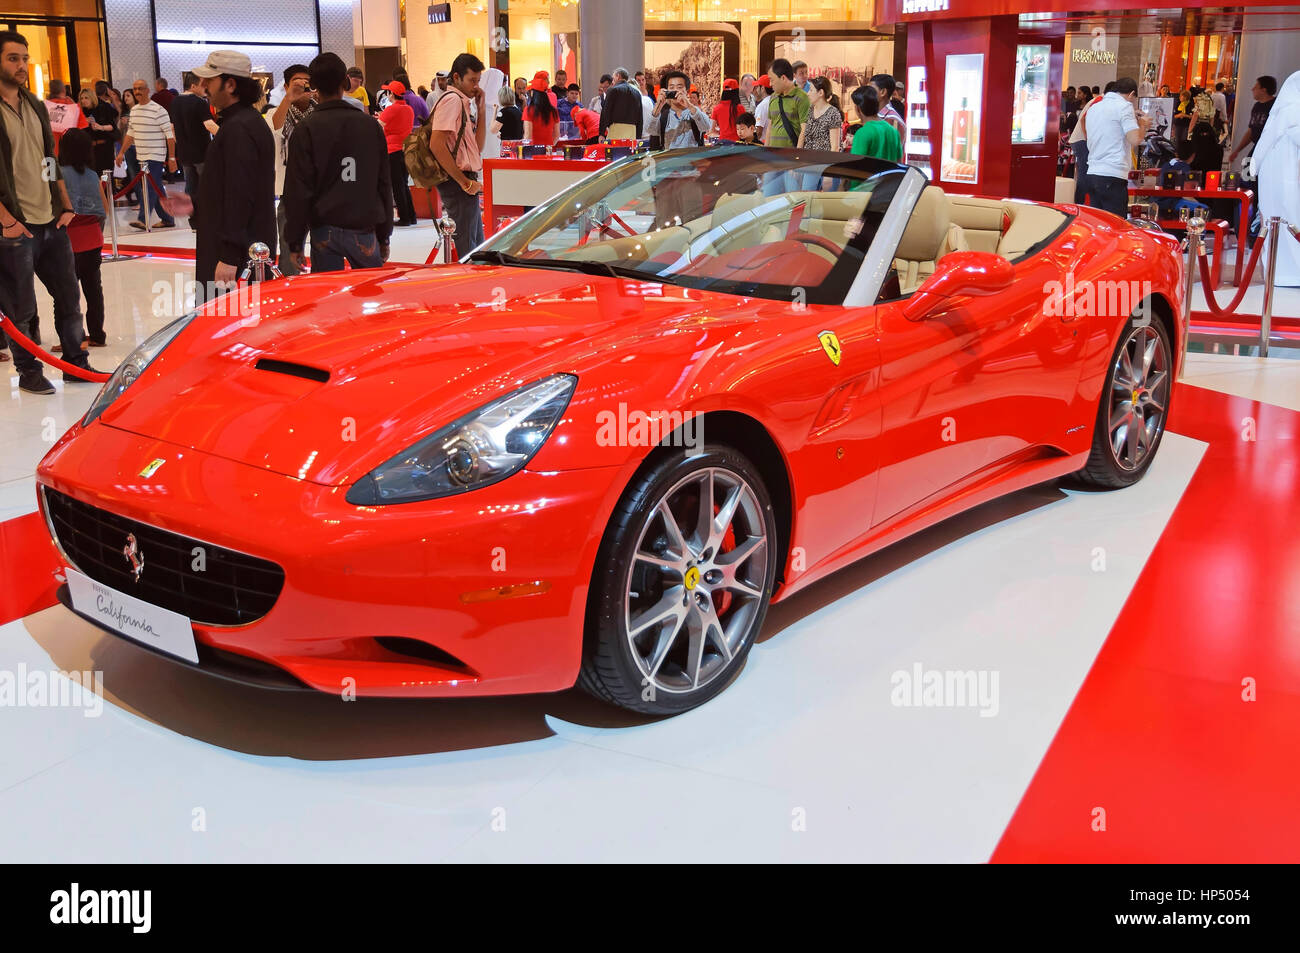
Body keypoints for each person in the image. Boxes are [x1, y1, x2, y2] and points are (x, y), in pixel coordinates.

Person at [0, 30, 101, 393]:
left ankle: (77, 364)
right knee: (21, 310)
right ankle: (28, 374)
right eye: (13, 58)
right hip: (15, 225)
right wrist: (7, 220)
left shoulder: (33, 104)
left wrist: (65, 202)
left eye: (25, 59)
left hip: (51, 220)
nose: (22, 65)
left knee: (69, 299)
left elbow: (47, 158)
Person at [282, 53, 392, 274]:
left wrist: (295, 241)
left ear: (313, 86)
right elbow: (383, 182)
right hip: (364, 226)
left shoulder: (306, 129)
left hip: (324, 229)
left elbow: (299, 189)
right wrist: (384, 234)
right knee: (369, 297)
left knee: (328, 299)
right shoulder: (370, 126)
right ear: (345, 82)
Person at [191, 49, 276, 305]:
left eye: (210, 80)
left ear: (230, 84)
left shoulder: (240, 128)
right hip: (237, 246)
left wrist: (229, 255)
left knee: (228, 326)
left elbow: (241, 194)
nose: (204, 87)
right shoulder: (241, 123)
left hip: (236, 254)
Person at [428, 52, 487, 260]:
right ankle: (468, 288)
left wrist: (481, 110)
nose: (476, 86)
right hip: (458, 181)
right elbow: (436, 144)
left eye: (478, 81)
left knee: (475, 243)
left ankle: (476, 286)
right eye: (472, 80)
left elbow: (477, 147)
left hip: (465, 180)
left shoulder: (463, 103)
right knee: (467, 246)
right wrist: (462, 181)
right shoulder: (452, 100)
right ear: (456, 78)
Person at [58, 128, 108, 348]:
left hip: (69, 239)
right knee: (93, 289)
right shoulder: (92, 175)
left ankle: (73, 338)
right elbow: (103, 210)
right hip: (93, 239)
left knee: (67, 293)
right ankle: (97, 334)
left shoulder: (58, 175)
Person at [1252, 70, 1299, 285]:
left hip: (1275, 180)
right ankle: (1289, 273)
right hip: (1286, 180)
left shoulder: (1281, 112)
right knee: (1290, 222)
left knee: (1276, 223)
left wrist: (1254, 167)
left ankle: (1279, 272)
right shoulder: (1293, 111)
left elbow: (1260, 149)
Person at [1084, 77, 1149, 218]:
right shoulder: (1124, 107)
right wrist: (1143, 124)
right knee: (1116, 227)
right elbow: (1135, 139)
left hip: (1092, 172)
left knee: (1099, 226)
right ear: (1131, 94)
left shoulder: (1094, 107)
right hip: (1113, 174)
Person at [119, 77, 177, 229]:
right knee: (155, 187)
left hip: (155, 156)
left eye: (140, 88)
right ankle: (167, 218)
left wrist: (171, 158)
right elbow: (130, 134)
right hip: (141, 157)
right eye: (135, 89)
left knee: (149, 187)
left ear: (147, 90)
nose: (137, 91)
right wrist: (121, 153)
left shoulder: (159, 110)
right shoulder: (134, 110)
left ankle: (143, 219)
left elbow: (169, 136)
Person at [168, 71, 211, 231]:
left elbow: (172, 128)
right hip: (202, 151)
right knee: (207, 186)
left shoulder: (175, 102)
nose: (205, 88)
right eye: (202, 85)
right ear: (193, 86)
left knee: (191, 187)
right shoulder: (200, 103)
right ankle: (206, 219)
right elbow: (209, 125)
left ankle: (194, 221)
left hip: (185, 153)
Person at [378, 80, 415, 226]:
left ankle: (405, 217)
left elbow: (379, 126)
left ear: (392, 94)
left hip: (392, 149)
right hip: (405, 149)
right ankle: (411, 215)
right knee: (403, 184)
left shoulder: (391, 109)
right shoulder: (408, 109)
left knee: (397, 185)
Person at [650, 70, 710, 150]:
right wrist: (658, 106)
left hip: (691, 160)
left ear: (687, 91)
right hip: (669, 160)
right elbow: (651, 132)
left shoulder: (694, 113)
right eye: (671, 87)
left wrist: (689, 105)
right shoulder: (663, 115)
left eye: (679, 87)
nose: (675, 91)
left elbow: (706, 127)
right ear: (667, 90)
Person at [1228, 75, 1276, 168]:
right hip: (1258, 147)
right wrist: (1237, 150)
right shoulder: (1257, 107)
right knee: (1248, 171)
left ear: (1264, 90)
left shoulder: (1276, 105)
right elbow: (1251, 131)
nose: (1252, 89)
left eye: (1256, 86)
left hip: (1271, 150)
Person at [1068, 84, 1105, 203]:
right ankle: (1079, 204)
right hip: (1081, 141)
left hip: (1081, 140)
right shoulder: (1100, 100)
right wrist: (1088, 138)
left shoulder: (1101, 100)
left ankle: (1082, 203)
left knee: (1085, 174)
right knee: (1084, 174)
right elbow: (1084, 118)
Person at [764, 59, 809, 149]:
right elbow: (770, 126)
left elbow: (804, 130)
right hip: (773, 156)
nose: (770, 84)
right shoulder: (773, 97)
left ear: (783, 78)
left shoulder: (802, 97)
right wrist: (766, 150)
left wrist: (798, 154)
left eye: (772, 80)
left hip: (791, 157)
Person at [849, 84, 900, 161]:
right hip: (891, 173)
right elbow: (899, 162)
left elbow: (855, 165)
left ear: (858, 109)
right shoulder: (894, 132)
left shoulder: (863, 133)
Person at [80, 86, 118, 173]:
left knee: (106, 175)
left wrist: (100, 127)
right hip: (90, 149)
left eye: (86, 98)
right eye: (82, 98)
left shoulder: (103, 107)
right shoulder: (82, 111)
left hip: (104, 146)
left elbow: (112, 127)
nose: (83, 100)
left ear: (92, 98)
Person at [42, 78, 87, 151]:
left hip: (50, 151)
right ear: (64, 90)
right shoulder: (72, 107)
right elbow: (82, 127)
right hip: (70, 151)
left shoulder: (43, 106)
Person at [598, 68, 642, 140]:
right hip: (632, 131)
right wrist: (638, 137)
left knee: (615, 151)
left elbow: (605, 112)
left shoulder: (613, 90)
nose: (612, 81)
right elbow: (640, 117)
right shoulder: (636, 93)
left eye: (613, 78)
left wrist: (601, 133)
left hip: (617, 130)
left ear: (618, 76)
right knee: (629, 151)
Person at [523, 73, 558, 145]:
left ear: (533, 93)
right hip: (548, 152)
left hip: (533, 153)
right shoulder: (554, 111)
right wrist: (549, 147)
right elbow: (557, 135)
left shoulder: (528, 110)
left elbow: (528, 135)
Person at [871, 73, 905, 142]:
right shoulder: (876, 114)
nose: (867, 93)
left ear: (883, 92)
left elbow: (890, 150)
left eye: (871, 90)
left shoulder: (892, 120)